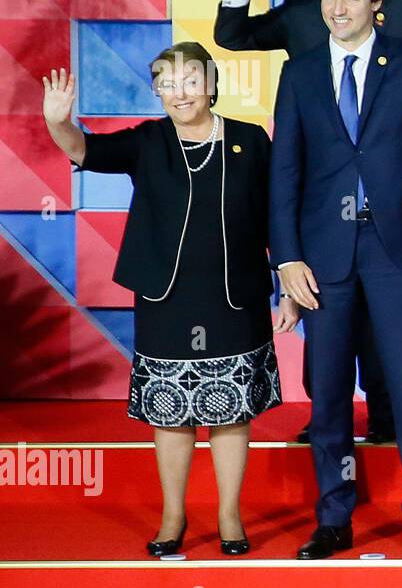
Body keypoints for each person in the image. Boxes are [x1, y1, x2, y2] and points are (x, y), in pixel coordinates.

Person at [214, 0, 402, 445]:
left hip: (394, 196)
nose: (340, 6)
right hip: (324, 202)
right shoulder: (305, 9)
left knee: (394, 340)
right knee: (327, 343)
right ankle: (329, 437)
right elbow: (233, 37)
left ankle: (388, 421)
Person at [41, 43, 299, 557]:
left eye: (188, 80)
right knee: (171, 411)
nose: (178, 92)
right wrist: (58, 122)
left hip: (235, 296)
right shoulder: (148, 142)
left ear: (210, 83)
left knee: (231, 409)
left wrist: (286, 287)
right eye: (166, 83)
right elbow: (85, 151)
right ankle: (173, 515)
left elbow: (276, 216)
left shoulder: (250, 140)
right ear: (157, 91)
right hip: (167, 296)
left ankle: (229, 514)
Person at [269, 0, 402, 560]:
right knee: (327, 391)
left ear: (375, 4)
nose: (338, 9)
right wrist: (287, 259)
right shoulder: (299, 73)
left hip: (393, 244)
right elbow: (286, 172)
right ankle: (334, 517)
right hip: (324, 251)